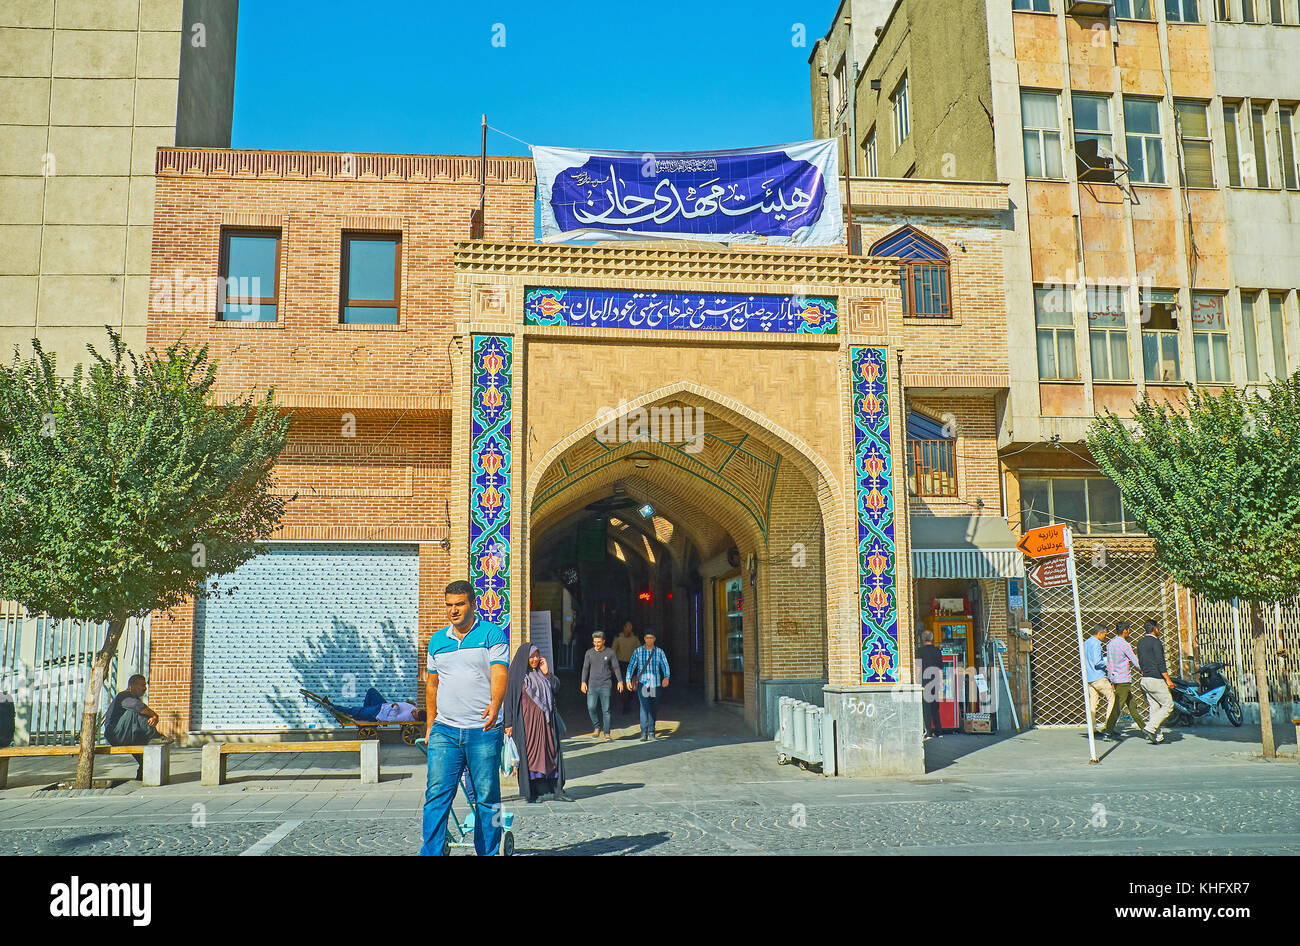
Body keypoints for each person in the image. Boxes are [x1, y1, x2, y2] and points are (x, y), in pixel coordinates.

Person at [420, 580, 509, 857]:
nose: (453, 610)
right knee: (436, 797)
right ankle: (431, 853)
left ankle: (489, 851)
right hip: (445, 731)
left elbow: (499, 673)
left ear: (473, 604)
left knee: (488, 798)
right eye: (449, 605)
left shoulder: (492, 634)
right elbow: (432, 686)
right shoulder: (437, 641)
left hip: (482, 729)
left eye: (459, 604)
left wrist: (495, 705)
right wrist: (430, 725)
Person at [504, 644, 572, 802]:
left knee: (550, 752)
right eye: (531, 656)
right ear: (524, 658)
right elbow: (509, 700)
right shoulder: (517, 676)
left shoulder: (541, 674)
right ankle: (533, 792)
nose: (535, 659)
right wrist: (508, 724)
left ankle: (556, 789)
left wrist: (547, 673)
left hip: (547, 723)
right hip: (527, 724)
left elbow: (556, 689)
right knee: (531, 755)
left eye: (537, 656)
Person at [103, 674, 167, 780]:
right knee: (136, 712)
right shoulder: (124, 696)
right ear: (132, 686)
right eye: (142, 685)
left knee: (141, 739)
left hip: (125, 733)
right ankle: (154, 736)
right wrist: (154, 715)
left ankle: (143, 771)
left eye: (145, 685)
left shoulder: (134, 698)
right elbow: (137, 707)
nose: (145, 688)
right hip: (115, 733)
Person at [1103, 620, 1147, 738]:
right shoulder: (1124, 644)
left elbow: (1109, 663)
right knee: (1118, 706)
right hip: (1123, 680)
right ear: (1125, 630)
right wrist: (1142, 669)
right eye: (1128, 630)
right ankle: (1108, 730)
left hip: (1116, 679)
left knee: (1132, 706)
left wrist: (1111, 678)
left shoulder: (1110, 644)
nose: (1129, 632)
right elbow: (1134, 660)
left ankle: (1145, 728)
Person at [625, 631, 670, 742]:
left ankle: (651, 732)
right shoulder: (638, 651)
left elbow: (665, 665)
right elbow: (631, 665)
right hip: (643, 684)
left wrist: (666, 677)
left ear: (654, 639)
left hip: (655, 684)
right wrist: (628, 680)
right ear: (644, 638)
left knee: (653, 708)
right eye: (647, 637)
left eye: (651, 638)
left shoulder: (659, 652)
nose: (649, 640)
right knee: (644, 707)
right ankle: (643, 733)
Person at [1136, 619, 1175, 745]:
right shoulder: (1156, 642)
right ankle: (1150, 728)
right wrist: (1168, 679)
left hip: (1144, 679)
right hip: (1156, 679)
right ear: (1155, 629)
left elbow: (1140, 661)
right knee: (1168, 705)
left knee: (1154, 707)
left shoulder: (1140, 643)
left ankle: (1157, 736)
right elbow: (1160, 662)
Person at [580, 631, 624, 740]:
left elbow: (616, 667)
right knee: (591, 707)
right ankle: (597, 727)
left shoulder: (610, 653)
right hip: (592, 685)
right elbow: (585, 668)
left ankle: (607, 732)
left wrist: (620, 681)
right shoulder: (589, 653)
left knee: (606, 709)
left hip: (605, 684)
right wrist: (583, 682)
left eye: (599, 642)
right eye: (595, 642)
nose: (596, 644)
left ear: (604, 641)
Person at [1083, 623, 1115, 740]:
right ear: (1100, 633)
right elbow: (1097, 661)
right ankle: (1108, 725)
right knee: (1112, 698)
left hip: (1089, 677)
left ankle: (1092, 727)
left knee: (1093, 702)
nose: (1105, 637)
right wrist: (1109, 661)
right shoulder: (1096, 644)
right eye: (1105, 634)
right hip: (1098, 676)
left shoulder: (1086, 643)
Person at [917, 629, 943, 738]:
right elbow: (940, 669)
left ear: (922, 639)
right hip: (936, 681)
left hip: (925, 682)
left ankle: (929, 732)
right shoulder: (937, 651)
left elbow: (918, 667)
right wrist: (940, 683)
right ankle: (939, 731)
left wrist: (917, 682)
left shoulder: (919, 651)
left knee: (926, 707)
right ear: (932, 638)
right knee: (935, 708)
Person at [611, 621, 640, 715]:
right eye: (628, 626)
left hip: (632, 664)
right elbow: (613, 651)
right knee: (622, 684)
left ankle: (629, 702)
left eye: (631, 626)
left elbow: (639, 650)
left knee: (632, 685)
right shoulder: (618, 638)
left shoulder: (635, 639)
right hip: (621, 664)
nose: (630, 628)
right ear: (624, 627)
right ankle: (625, 704)